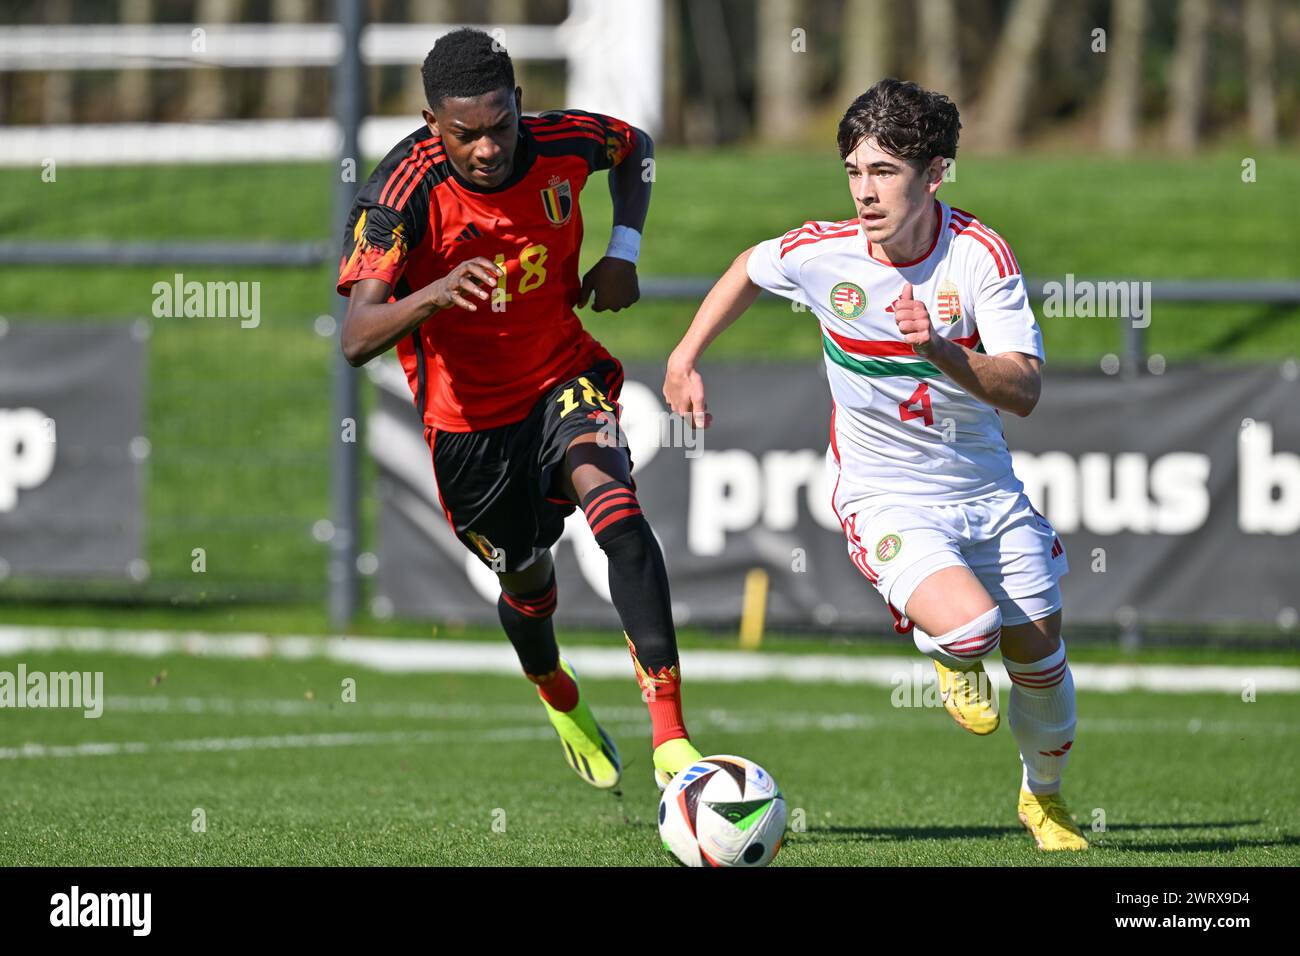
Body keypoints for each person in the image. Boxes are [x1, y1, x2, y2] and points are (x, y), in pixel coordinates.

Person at [662, 78, 1087, 850]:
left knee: (1043, 661)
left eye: (886, 171)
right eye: (855, 170)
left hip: (986, 492)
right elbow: (748, 268)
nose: (865, 191)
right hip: (885, 495)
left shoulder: (979, 257)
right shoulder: (824, 253)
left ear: (935, 174)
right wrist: (687, 355)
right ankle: (950, 652)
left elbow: (1023, 390)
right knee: (972, 632)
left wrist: (938, 348)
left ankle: (1044, 799)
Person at [337, 28, 702, 793]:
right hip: (470, 434)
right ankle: (557, 692)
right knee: (528, 586)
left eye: (500, 124)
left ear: (518, 106)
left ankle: (672, 739)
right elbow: (356, 337)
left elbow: (636, 148)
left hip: (564, 379)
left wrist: (624, 248)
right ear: (433, 122)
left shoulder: (564, 142)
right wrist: (435, 291)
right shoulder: (400, 192)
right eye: (465, 134)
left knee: (622, 518)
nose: (486, 147)